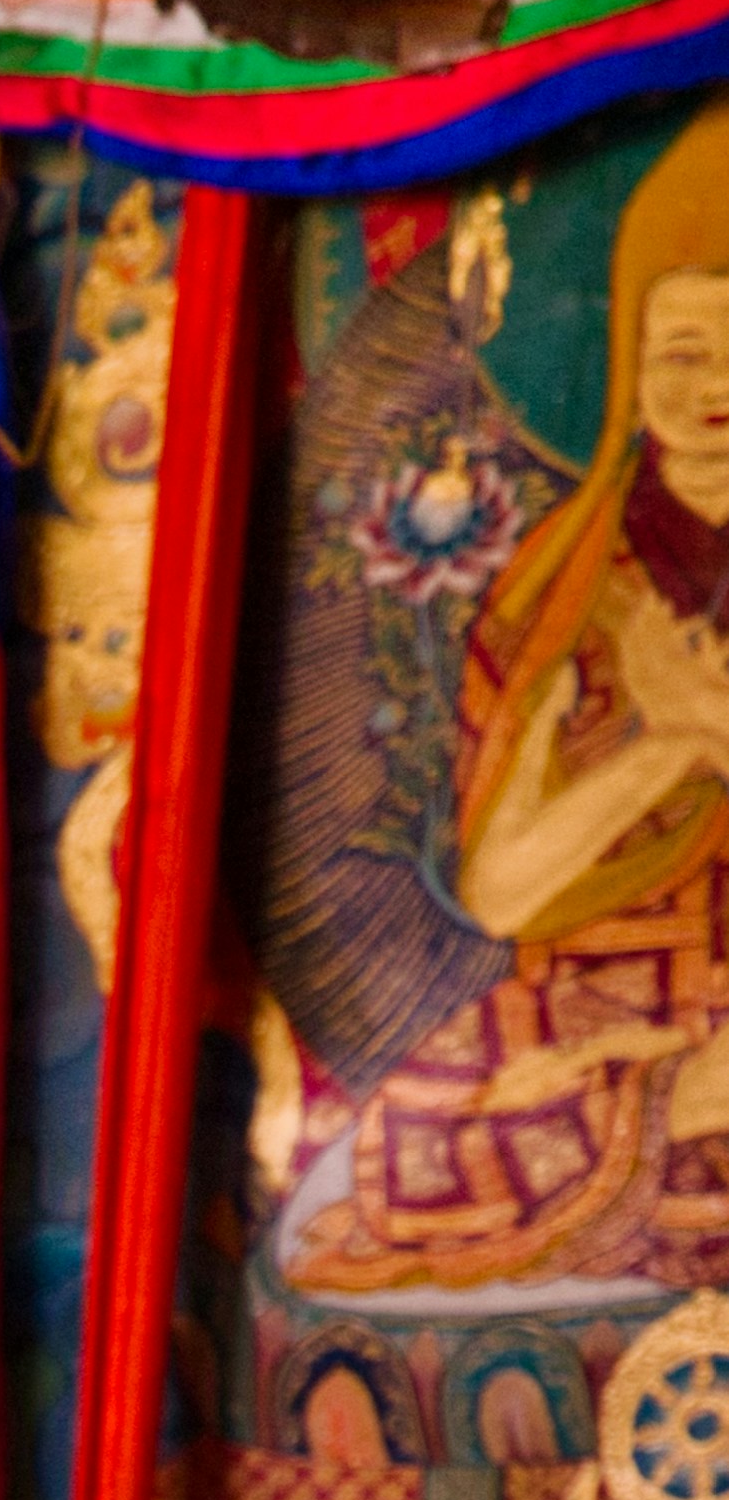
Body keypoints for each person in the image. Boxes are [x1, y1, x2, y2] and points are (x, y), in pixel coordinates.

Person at [301, 104, 729, 1297]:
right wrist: (668, 746)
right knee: (411, 1129)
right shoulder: (566, 590)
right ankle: (678, 1115)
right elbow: (501, 890)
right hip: (594, 998)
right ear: (627, 376)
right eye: (683, 356)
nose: (715, 394)